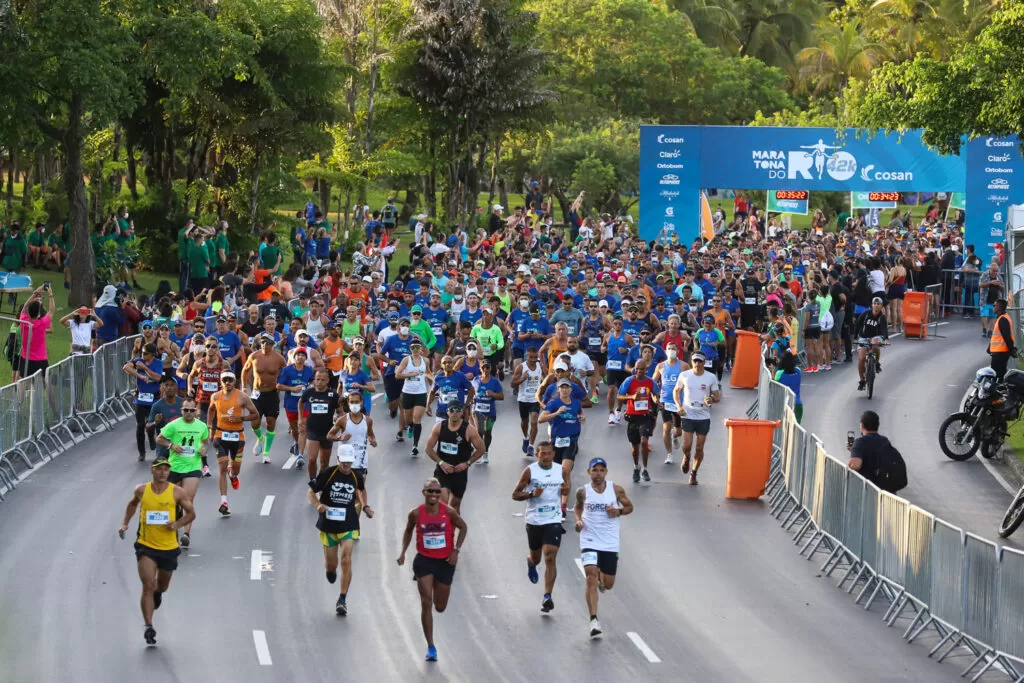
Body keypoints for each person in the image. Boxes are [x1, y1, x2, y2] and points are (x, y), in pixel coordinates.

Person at [118, 457, 196, 646]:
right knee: (148, 585)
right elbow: (132, 504)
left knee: (161, 586)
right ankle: (149, 626)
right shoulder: (141, 490)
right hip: (146, 545)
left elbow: (191, 514)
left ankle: (158, 594)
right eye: (159, 469)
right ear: (152, 471)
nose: (162, 473)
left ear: (169, 472)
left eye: (166, 470)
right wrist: (125, 523)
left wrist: (177, 524)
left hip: (169, 547)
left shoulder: (177, 492)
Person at [396, 478, 469, 662]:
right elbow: (408, 531)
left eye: (437, 491)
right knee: (426, 602)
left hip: (445, 562)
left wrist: (456, 551)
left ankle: (437, 605)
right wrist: (403, 552)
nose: (434, 494)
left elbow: (464, 527)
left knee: (440, 606)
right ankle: (431, 646)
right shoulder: (415, 513)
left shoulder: (449, 512)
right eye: (430, 491)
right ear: (424, 493)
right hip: (424, 561)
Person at [307, 443, 373, 615]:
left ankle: (342, 599)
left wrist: (365, 507)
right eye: (344, 462)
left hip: (348, 523)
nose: (346, 466)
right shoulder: (328, 473)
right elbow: (310, 492)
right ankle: (330, 570)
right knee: (331, 566)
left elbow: (362, 490)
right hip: (328, 524)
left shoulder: (356, 475)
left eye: (349, 463)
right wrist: (318, 504)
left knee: (346, 559)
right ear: (338, 460)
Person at [574, 458, 633, 638]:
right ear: (588, 472)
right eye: (594, 470)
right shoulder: (582, 492)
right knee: (590, 575)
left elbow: (629, 507)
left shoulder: (615, 490)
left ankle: (602, 580)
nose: (598, 474)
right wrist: (578, 520)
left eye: (601, 470)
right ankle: (593, 620)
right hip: (589, 539)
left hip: (609, 542)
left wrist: (618, 511)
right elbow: (577, 508)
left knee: (608, 584)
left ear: (606, 472)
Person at [512, 440, 568, 613]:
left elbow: (566, 490)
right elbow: (515, 494)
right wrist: (531, 494)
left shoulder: (561, 470)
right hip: (534, 520)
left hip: (553, 519)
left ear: (553, 454)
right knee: (537, 558)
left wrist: (564, 494)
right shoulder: (530, 471)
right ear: (537, 455)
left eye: (549, 453)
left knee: (550, 556)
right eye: (542, 453)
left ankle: (547, 596)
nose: (546, 456)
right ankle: (531, 562)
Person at [155, 398, 208, 549]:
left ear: (196, 411)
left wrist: (203, 449)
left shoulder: (202, 426)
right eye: (186, 410)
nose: (189, 413)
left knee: (188, 499)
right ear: (181, 410)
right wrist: (171, 445)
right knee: (173, 501)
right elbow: (159, 439)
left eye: (192, 410)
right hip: (175, 467)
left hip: (193, 466)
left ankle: (186, 534)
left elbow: (205, 441)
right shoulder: (173, 425)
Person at [207, 371, 260, 515]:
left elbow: (256, 414)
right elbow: (211, 410)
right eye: (224, 380)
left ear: (235, 381)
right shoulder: (216, 396)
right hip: (220, 434)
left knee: (235, 469)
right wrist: (209, 426)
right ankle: (223, 501)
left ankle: (233, 473)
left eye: (230, 380)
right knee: (222, 467)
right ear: (221, 382)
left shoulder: (242, 397)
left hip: (238, 437)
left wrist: (241, 419)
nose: (227, 383)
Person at [424, 398, 485, 514]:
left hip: (459, 473)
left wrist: (467, 463)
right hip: (442, 471)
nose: (455, 413)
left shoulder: (469, 430)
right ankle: (442, 529)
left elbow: (481, 449)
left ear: (462, 412)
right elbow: (428, 448)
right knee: (442, 502)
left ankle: (451, 531)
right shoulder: (439, 427)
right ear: (447, 412)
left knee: (454, 506)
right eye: (452, 410)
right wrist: (441, 463)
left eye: (457, 410)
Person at [538, 378, 585, 518]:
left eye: (567, 387)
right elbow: (541, 419)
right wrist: (557, 413)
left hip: (571, 441)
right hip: (556, 442)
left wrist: (581, 416)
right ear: (558, 389)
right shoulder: (554, 403)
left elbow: (580, 413)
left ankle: (563, 506)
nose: (564, 390)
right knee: (555, 474)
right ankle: (554, 501)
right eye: (562, 387)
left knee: (565, 472)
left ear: (571, 390)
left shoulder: (576, 402)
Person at [672, 352, 721, 485]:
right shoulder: (685, 375)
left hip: (703, 417)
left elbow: (717, 396)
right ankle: (686, 457)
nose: (697, 364)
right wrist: (678, 406)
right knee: (686, 446)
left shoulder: (710, 377)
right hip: (688, 415)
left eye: (700, 361)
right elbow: (676, 391)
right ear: (691, 361)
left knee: (699, 448)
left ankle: (694, 472)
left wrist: (712, 399)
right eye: (695, 361)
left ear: (704, 363)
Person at [241, 334, 288, 463]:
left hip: (272, 393)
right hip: (257, 393)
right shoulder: (254, 356)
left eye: (267, 343)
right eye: (262, 342)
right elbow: (245, 370)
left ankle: (266, 453)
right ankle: (260, 439)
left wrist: (285, 384)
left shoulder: (279, 358)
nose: (264, 345)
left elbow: (287, 371)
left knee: (270, 423)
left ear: (272, 344)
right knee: (254, 422)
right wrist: (244, 387)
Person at [618, 360, 658, 483]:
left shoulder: (650, 382)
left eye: (642, 369)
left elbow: (655, 394)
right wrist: (631, 397)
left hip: (646, 416)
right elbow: (619, 396)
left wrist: (656, 401)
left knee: (644, 441)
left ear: (646, 369)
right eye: (637, 369)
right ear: (635, 369)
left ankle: (645, 469)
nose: (640, 371)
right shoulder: (629, 381)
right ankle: (636, 467)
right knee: (635, 447)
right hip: (632, 417)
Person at [123, 342, 165, 461]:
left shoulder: (158, 363)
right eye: (142, 352)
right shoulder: (138, 360)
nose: (142, 355)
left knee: (152, 425)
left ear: (152, 354)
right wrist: (139, 375)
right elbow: (126, 367)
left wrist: (145, 369)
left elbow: (157, 378)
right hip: (140, 400)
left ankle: (152, 439)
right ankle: (142, 453)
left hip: (154, 400)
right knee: (140, 425)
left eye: (145, 353)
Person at [298, 368, 342, 479]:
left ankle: (322, 482)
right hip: (312, 430)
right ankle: (313, 480)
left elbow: (340, 411)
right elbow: (301, 403)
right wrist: (300, 418)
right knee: (312, 459)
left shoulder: (333, 395)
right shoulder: (309, 392)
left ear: (327, 381)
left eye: (322, 380)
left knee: (324, 463)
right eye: (317, 379)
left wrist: (339, 420)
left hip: (328, 432)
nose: (319, 382)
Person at [847, 410, 904, 491]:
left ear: (861, 425)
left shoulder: (860, 442)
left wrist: (853, 457)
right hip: (885, 489)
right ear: (878, 425)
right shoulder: (884, 441)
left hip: (867, 490)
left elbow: (855, 465)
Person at [277, 347, 315, 466]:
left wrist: (312, 386)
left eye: (303, 355)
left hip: (304, 404)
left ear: (305, 358)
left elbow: (313, 381)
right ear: (294, 357)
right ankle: (297, 443)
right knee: (295, 429)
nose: (300, 357)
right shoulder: (287, 370)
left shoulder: (309, 370)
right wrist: (291, 388)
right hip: (290, 404)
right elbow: (278, 386)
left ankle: (300, 456)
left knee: (302, 427)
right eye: (298, 355)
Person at [327, 391, 378, 480]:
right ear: (348, 403)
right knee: (347, 489)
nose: (354, 404)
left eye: (357, 402)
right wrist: (340, 438)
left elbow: (370, 435)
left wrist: (373, 441)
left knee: (360, 489)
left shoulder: (368, 421)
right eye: (352, 402)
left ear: (361, 402)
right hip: (345, 460)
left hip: (361, 460)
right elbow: (329, 435)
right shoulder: (342, 420)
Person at [396, 339, 432, 457]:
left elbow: (428, 373)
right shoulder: (406, 360)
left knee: (417, 419)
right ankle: (410, 426)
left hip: (421, 392)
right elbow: (398, 375)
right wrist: (410, 375)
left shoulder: (426, 360)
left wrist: (434, 383)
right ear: (410, 349)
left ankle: (415, 446)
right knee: (408, 420)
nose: (415, 350)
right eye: (413, 348)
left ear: (421, 349)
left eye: (417, 347)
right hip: (407, 392)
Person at [652, 341, 686, 465]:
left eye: (673, 348)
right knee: (666, 427)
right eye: (668, 348)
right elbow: (653, 383)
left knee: (678, 430)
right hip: (665, 400)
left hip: (678, 402)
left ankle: (675, 435)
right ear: (665, 351)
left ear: (677, 351)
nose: (671, 350)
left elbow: (689, 383)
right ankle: (669, 454)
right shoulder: (660, 366)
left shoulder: (683, 366)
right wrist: (655, 397)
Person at [13, 285, 55, 381]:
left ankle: (18, 397)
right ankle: (50, 397)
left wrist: (35, 293)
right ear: (39, 313)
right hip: (41, 360)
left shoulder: (23, 321)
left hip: (26, 358)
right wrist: (50, 294)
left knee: (22, 383)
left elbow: (25, 306)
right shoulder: (42, 323)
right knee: (47, 384)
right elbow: (52, 311)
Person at [511, 346, 544, 455]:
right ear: (526, 356)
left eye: (535, 357)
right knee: (524, 422)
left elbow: (547, 378)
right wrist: (523, 378)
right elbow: (513, 384)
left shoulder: (540, 366)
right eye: (531, 357)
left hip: (535, 399)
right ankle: (525, 437)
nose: (533, 360)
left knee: (534, 422)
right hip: (523, 399)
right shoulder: (521, 367)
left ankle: (531, 445)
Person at [853, 296, 889, 391]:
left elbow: (884, 330)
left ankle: (876, 363)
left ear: (881, 306)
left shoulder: (882, 317)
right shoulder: (865, 314)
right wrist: (855, 337)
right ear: (872, 305)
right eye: (874, 304)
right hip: (863, 337)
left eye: (878, 304)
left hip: (876, 337)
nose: (876, 306)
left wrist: (885, 339)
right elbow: (857, 324)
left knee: (875, 342)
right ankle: (862, 380)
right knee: (861, 358)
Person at [470, 360, 504, 463]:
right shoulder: (475, 380)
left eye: (487, 367)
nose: (485, 369)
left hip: (490, 412)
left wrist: (493, 394)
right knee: (479, 431)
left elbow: (501, 396)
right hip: (477, 411)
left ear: (490, 368)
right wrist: (471, 401)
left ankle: (485, 453)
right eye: (483, 367)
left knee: (487, 432)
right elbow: (471, 392)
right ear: (480, 369)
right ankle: (479, 451)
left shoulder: (495, 382)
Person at [989, 298, 1016, 380]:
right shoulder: (1002, 318)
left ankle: (998, 391)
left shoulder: (1003, 319)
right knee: (998, 374)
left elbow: (1007, 337)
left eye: (994, 305)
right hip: (998, 352)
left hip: (1000, 352)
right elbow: (997, 336)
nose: (993, 307)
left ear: (999, 307)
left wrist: (1012, 350)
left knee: (997, 376)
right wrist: (989, 348)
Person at [774, 350, 803, 423]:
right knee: (796, 429)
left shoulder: (779, 373)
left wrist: (773, 370)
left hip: (785, 405)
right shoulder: (798, 371)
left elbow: (774, 384)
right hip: (798, 404)